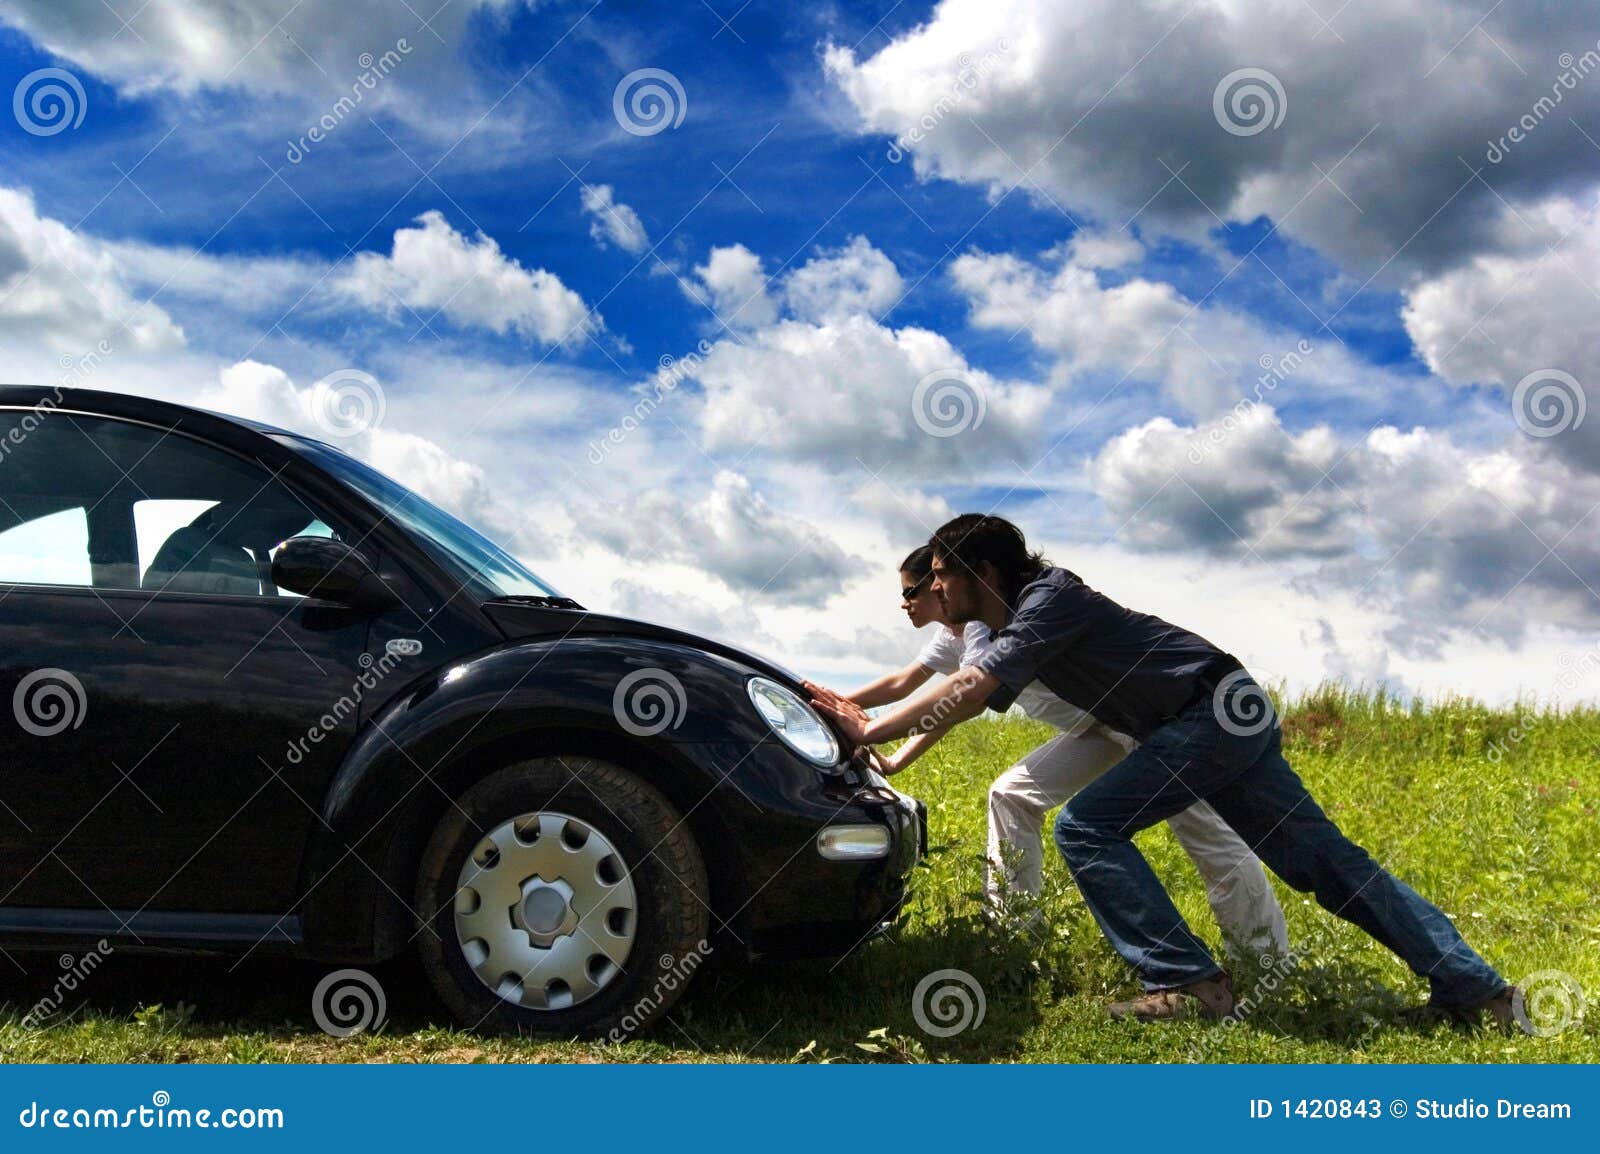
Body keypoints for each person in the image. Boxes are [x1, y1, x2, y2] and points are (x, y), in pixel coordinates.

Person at [811, 514, 1515, 1027]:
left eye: (939, 576)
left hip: (1209, 711)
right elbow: (958, 689)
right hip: (1214, 711)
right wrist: (877, 729)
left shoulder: (1050, 600)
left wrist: (870, 731)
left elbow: (967, 692)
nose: (932, 590)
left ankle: (1188, 984)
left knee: (1088, 826)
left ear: (981, 574)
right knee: (1322, 860)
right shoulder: (1017, 617)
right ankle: (1480, 994)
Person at [811, 544, 1289, 962]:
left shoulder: (979, 629)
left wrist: (872, 734)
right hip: (1097, 728)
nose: (911, 600)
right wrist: (829, 703)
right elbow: (902, 684)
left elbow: (966, 701)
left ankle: (1265, 961)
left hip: (1144, 723)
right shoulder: (953, 635)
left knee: (1206, 834)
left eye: (919, 587)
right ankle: (1015, 936)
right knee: (1011, 795)